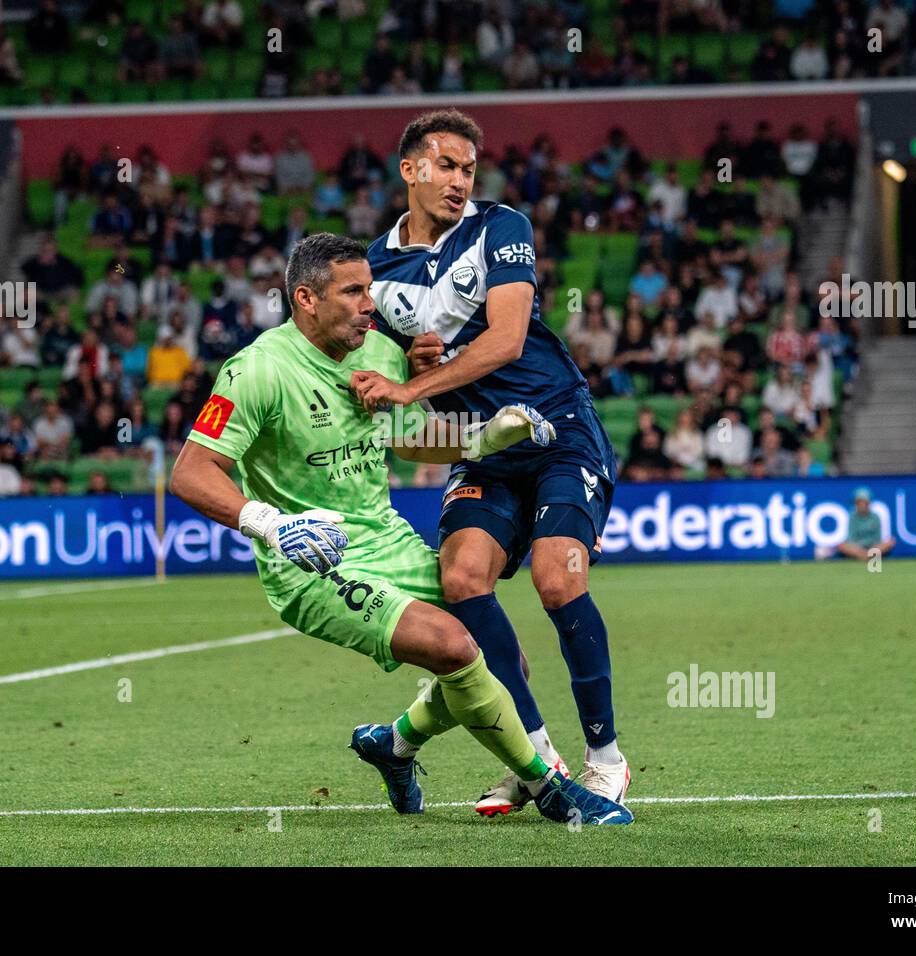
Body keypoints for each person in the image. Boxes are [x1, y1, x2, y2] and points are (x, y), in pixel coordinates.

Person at [169, 234, 630, 826]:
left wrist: (482, 438)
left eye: (370, 289)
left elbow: (406, 438)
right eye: (354, 291)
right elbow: (191, 472)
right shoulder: (258, 370)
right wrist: (269, 523)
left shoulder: (382, 356)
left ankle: (394, 743)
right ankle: (551, 790)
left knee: (503, 658)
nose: (370, 303)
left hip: (385, 539)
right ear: (305, 298)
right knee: (453, 645)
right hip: (314, 562)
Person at [355, 110, 630, 814]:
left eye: (468, 169)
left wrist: (415, 382)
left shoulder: (500, 227)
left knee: (556, 577)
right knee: (462, 576)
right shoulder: (375, 272)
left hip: (556, 428)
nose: (459, 180)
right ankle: (538, 759)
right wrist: (407, 367)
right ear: (409, 169)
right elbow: (385, 385)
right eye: (446, 165)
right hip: (481, 443)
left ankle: (607, 759)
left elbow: (507, 340)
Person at [837, 487, 895, 560]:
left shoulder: (875, 517)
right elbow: (851, 538)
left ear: (868, 503)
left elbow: (878, 538)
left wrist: (872, 547)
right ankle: (867, 555)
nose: (862, 505)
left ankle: (866, 555)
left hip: (873, 546)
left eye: (864, 502)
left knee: (890, 542)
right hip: (857, 548)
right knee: (841, 545)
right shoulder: (852, 517)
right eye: (859, 502)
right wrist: (860, 549)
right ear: (856, 503)